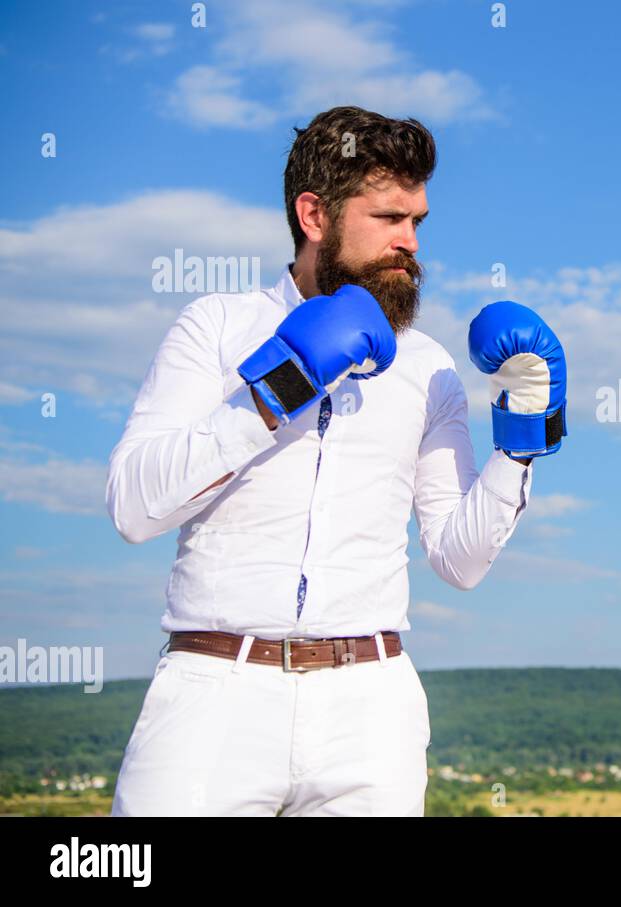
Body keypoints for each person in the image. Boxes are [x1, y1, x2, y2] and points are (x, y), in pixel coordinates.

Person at [105, 105, 567, 816]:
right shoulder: (217, 327)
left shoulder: (427, 365)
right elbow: (134, 508)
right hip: (214, 690)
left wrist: (524, 433)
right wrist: (282, 383)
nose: (410, 241)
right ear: (314, 213)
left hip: (371, 703)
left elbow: (461, 559)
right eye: (389, 218)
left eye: (417, 220)